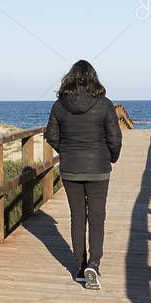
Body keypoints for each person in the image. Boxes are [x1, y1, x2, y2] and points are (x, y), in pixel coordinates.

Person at [45, 60, 122, 290]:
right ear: (93, 79)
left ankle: (79, 267)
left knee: (77, 216)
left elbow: (51, 135)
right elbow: (115, 137)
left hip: (70, 168)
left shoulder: (59, 106)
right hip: (98, 169)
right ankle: (94, 264)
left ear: (69, 79)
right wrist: (110, 157)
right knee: (97, 218)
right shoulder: (105, 105)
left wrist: (66, 151)